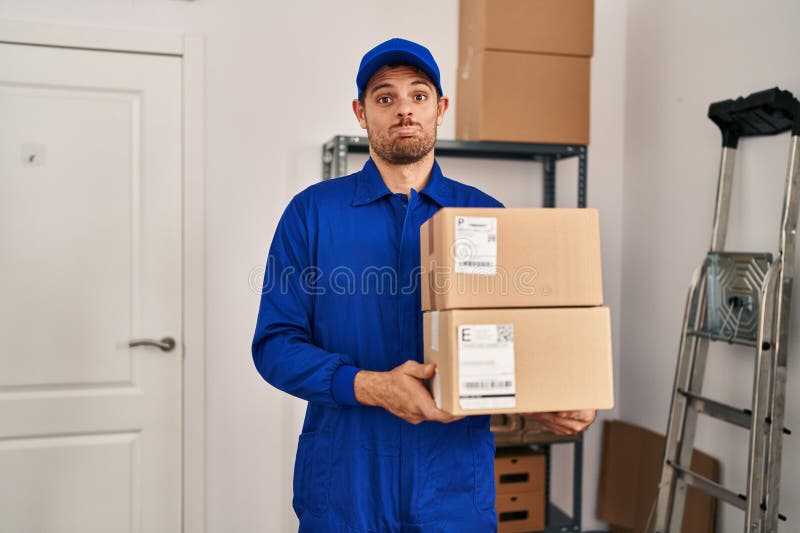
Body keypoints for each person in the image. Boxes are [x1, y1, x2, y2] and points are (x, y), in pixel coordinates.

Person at [252, 37, 597, 532]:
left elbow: (510, 342)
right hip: (346, 487)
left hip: (453, 486)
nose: (404, 110)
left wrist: (547, 400)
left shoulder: (483, 215)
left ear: (441, 108)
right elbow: (275, 346)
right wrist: (370, 386)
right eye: (385, 97)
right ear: (361, 112)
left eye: (418, 95)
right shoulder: (312, 214)